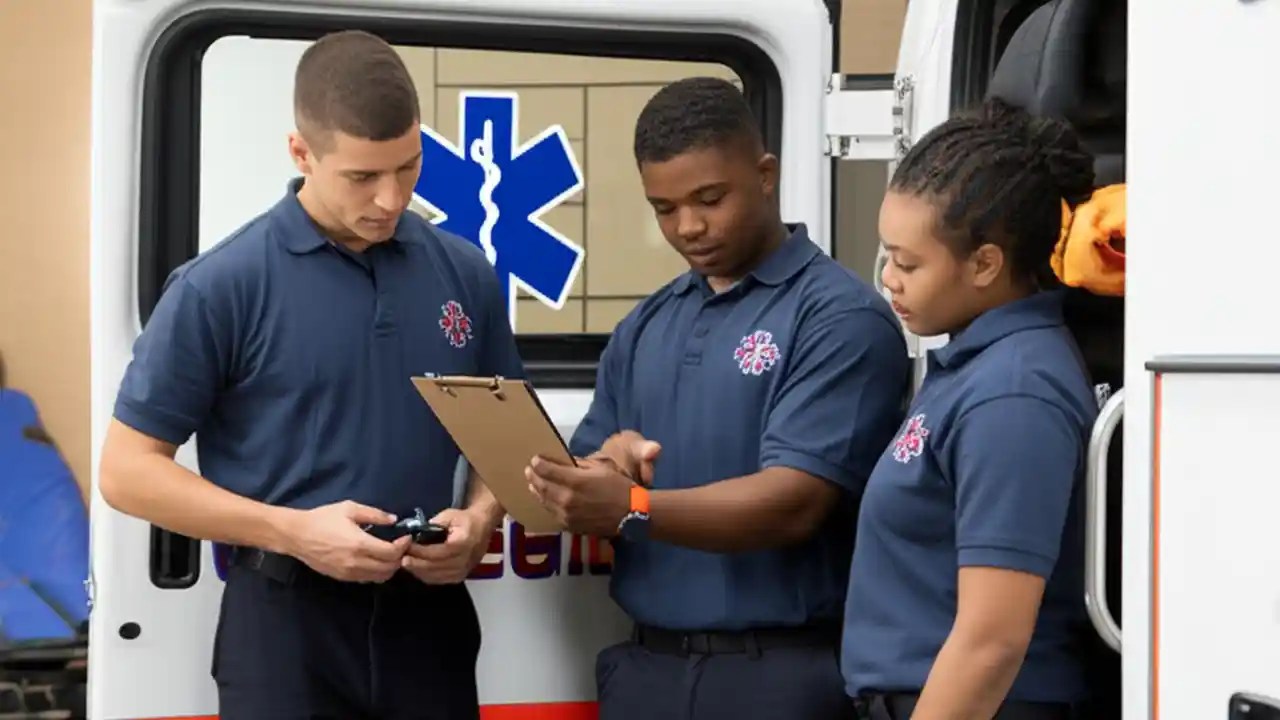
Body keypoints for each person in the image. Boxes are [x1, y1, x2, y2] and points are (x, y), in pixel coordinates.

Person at [98, 30, 522, 719]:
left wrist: (479, 519)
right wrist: (291, 531)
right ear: (301, 152)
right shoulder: (222, 286)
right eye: (362, 177)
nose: (391, 199)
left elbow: (505, 440)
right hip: (285, 625)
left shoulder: (464, 271)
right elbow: (126, 471)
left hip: (429, 618)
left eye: (409, 168)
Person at [525, 77, 911, 720]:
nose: (689, 227)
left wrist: (633, 505)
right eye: (664, 208)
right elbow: (591, 472)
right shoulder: (646, 324)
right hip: (646, 667)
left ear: (765, 174)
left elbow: (794, 503)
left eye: (709, 198)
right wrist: (601, 470)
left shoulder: (838, 317)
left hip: (779, 673)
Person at [842, 97, 1100, 720]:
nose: (890, 281)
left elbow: (992, 641)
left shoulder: (1014, 392)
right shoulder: (972, 364)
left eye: (908, 264)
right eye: (886, 257)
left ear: (985, 263)